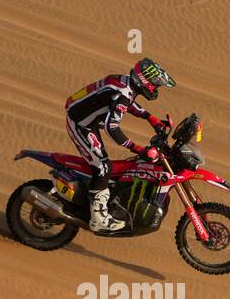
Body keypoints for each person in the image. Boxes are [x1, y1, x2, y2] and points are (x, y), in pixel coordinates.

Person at [64, 58, 175, 232]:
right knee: (103, 168)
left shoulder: (125, 83)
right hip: (81, 124)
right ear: (144, 81)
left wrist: (149, 117)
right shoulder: (123, 94)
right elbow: (112, 128)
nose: (155, 89)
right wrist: (137, 148)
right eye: (155, 85)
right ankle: (98, 219)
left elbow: (127, 103)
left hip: (88, 119)